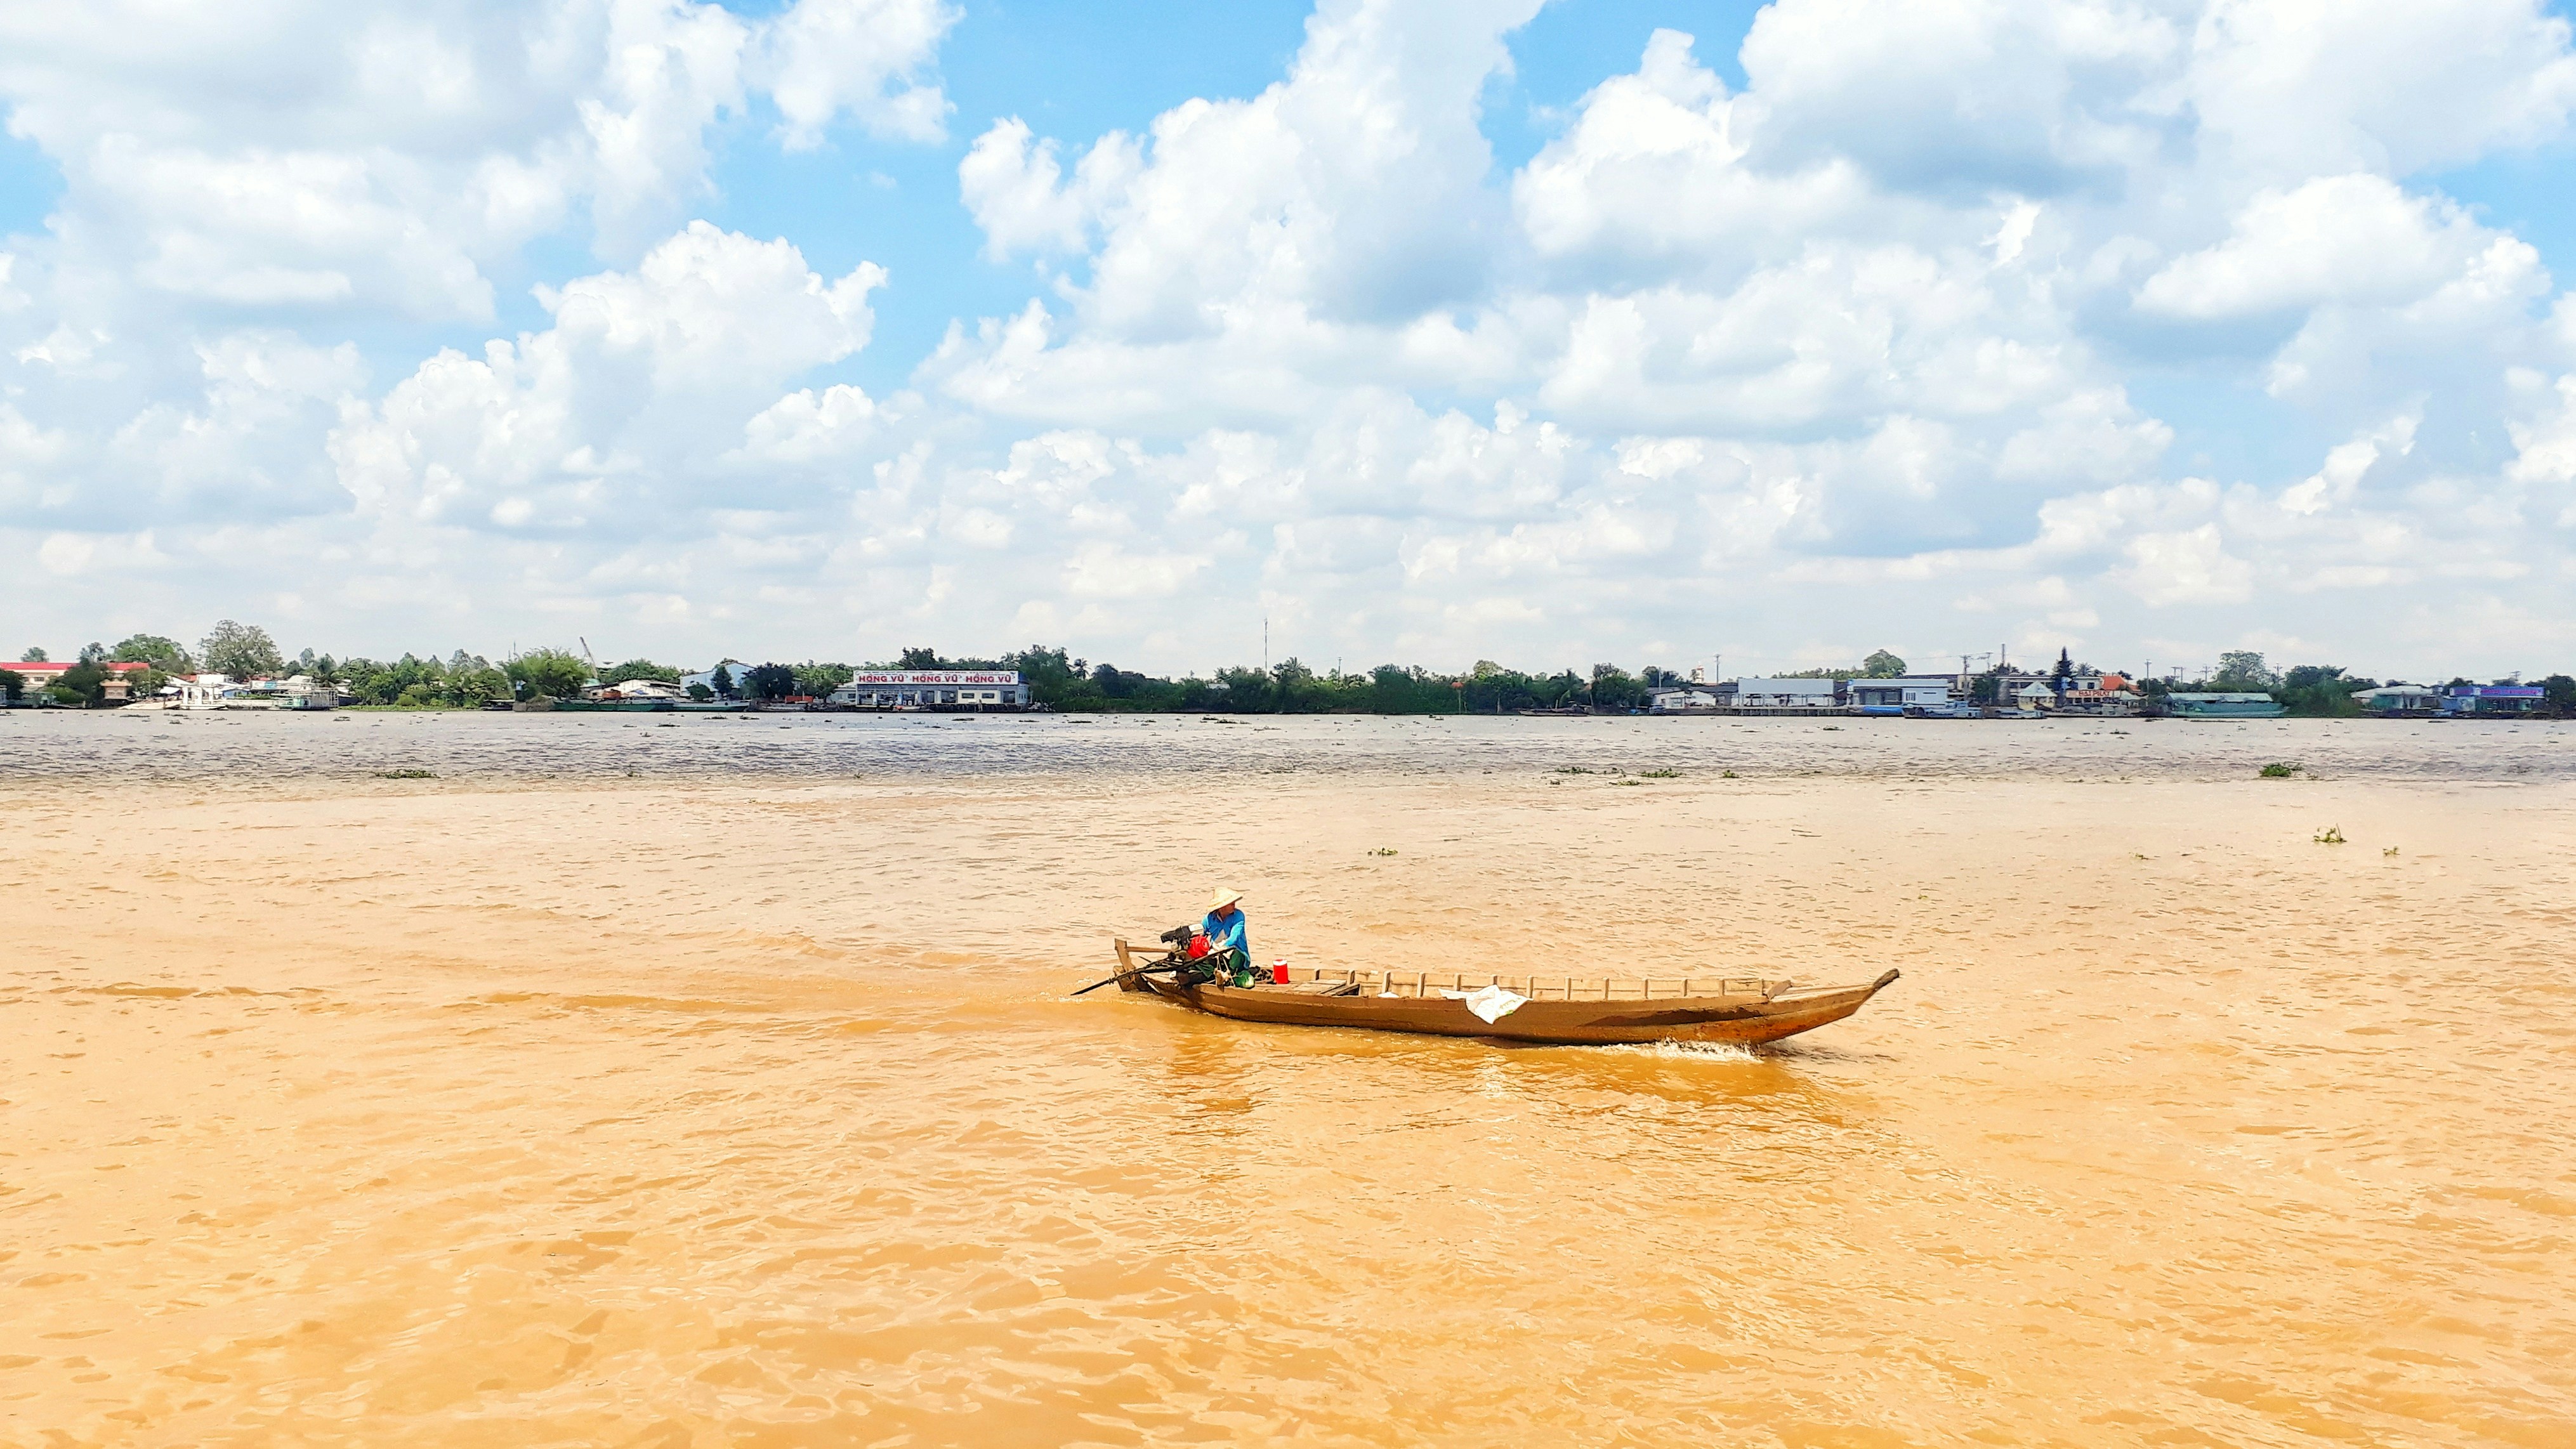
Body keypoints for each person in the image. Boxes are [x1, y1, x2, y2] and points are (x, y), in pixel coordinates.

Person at [1198, 889, 1253, 986]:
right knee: (1197, 961)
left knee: (1239, 956)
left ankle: (1227, 975)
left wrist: (1225, 946)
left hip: (1233, 953)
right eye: (1230, 903)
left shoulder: (1239, 916)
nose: (1234, 904)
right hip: (1215, 955)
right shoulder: (1209, 918)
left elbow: (1235, 936)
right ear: (1221, 907)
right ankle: (1215, 974)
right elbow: (1200, 934)